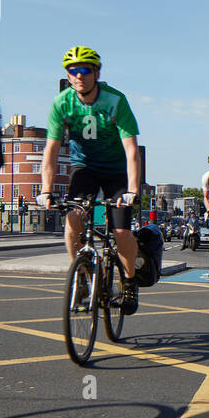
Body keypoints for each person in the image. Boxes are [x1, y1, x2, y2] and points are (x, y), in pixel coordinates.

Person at [38, 47, 142, 315]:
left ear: (97, 73)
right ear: (67, 75)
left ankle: (129, 282)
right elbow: (50, 151)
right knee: (73, 218)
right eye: (73, 71)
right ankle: (81, 277)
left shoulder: (115, 101)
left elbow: (132, 150)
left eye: (85, 70)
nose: (79, 75)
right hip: (83, 167)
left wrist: (132, 190)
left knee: (120, 231)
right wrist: (46, 191)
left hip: (117, 169)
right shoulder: (61, 103)